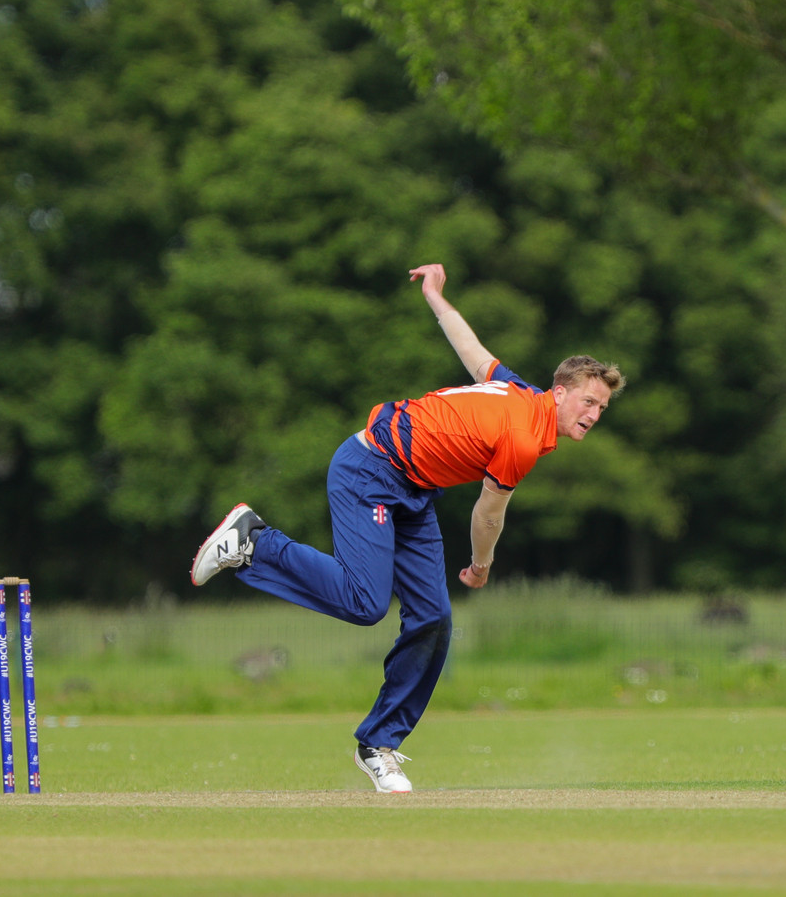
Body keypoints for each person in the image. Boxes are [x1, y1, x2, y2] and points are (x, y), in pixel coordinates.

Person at [189, 263, 625, 792]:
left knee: (433, 618)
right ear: (559, 393)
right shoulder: (523, 436)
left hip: (413, 493)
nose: (594, 413)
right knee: (364, 602)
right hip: (369, 469)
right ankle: (255, 543)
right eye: (587, 401)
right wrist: (480, 566)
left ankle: (379, 744)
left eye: (601, 406)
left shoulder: (518, 391)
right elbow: (488, 513)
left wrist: (437, 299)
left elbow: (473, 353)